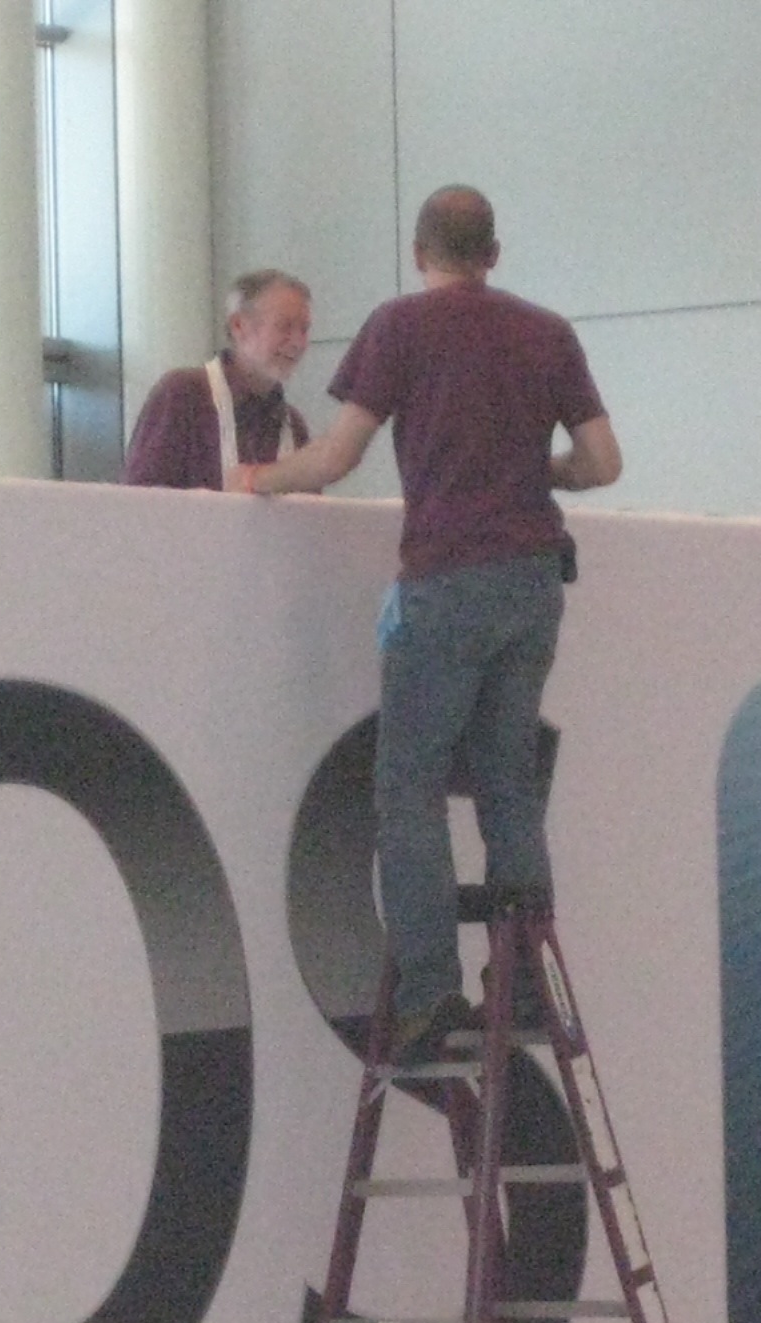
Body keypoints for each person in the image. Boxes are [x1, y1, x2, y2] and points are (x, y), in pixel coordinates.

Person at [239, 186, 621, 1053]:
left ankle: (428, 993)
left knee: (407, 789)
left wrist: (257, 480)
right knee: (509, 785)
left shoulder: (399, 328)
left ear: (420, 254)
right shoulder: (547, 333)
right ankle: (523, 980)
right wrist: (539, 473)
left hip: (447, 582)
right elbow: (603, 461)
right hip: (533, 585)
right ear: (495, 253)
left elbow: (338, 454)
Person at [122, 269, 315, 489]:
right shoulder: (182, 395)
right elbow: (139, 502)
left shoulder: (294, 426)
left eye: (305, 329)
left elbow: (309, 516)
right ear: (238, 326)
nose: (298, 342)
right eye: (284, 326)